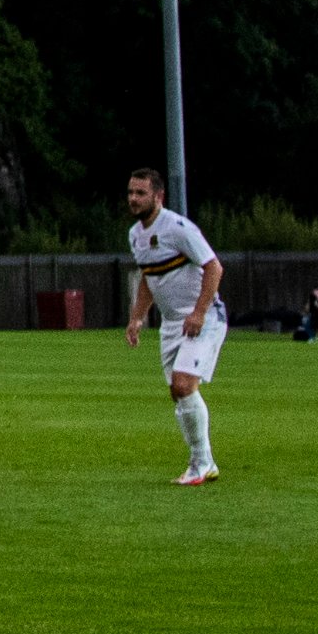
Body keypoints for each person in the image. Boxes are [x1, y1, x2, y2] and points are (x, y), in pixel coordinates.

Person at [120, 168, 223, 486]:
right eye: (131, 193)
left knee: (183, 385)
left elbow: (214, 267)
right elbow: (150, 278)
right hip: (171, 324)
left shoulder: (179, 228)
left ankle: (200, 463)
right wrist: (137, 317)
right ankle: (205, 461)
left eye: (141, 193)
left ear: (158, 196)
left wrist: (199, 313)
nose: (134, 199)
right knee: (177, 393)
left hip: (202, 319)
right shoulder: (135, 234)